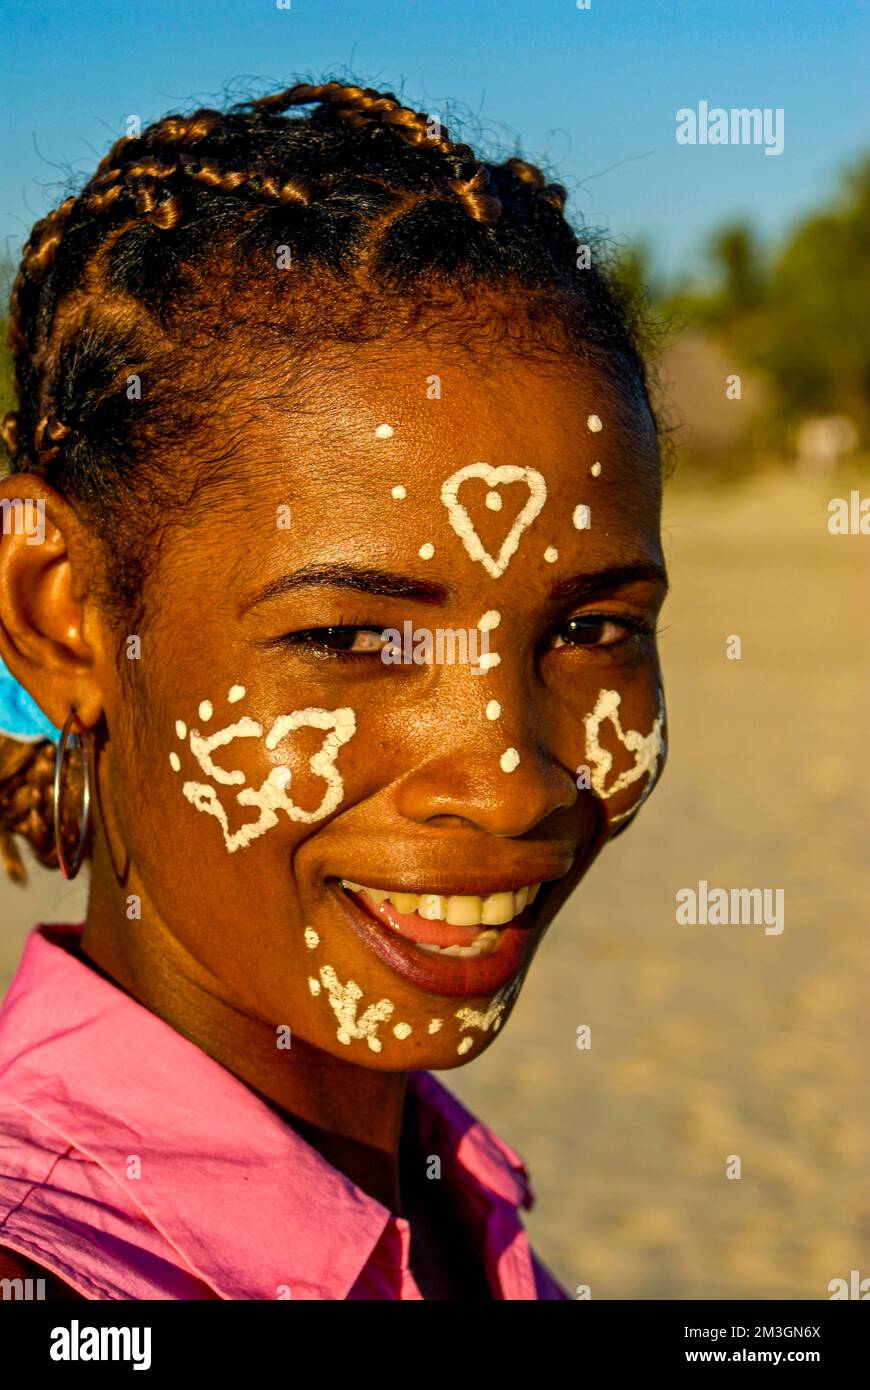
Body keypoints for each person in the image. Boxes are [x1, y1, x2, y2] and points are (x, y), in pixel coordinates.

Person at [0, 80, 668, 1300]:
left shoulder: (449, 1197)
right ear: (61, 615)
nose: (509, 784)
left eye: (592, 626)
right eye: (356, 635)